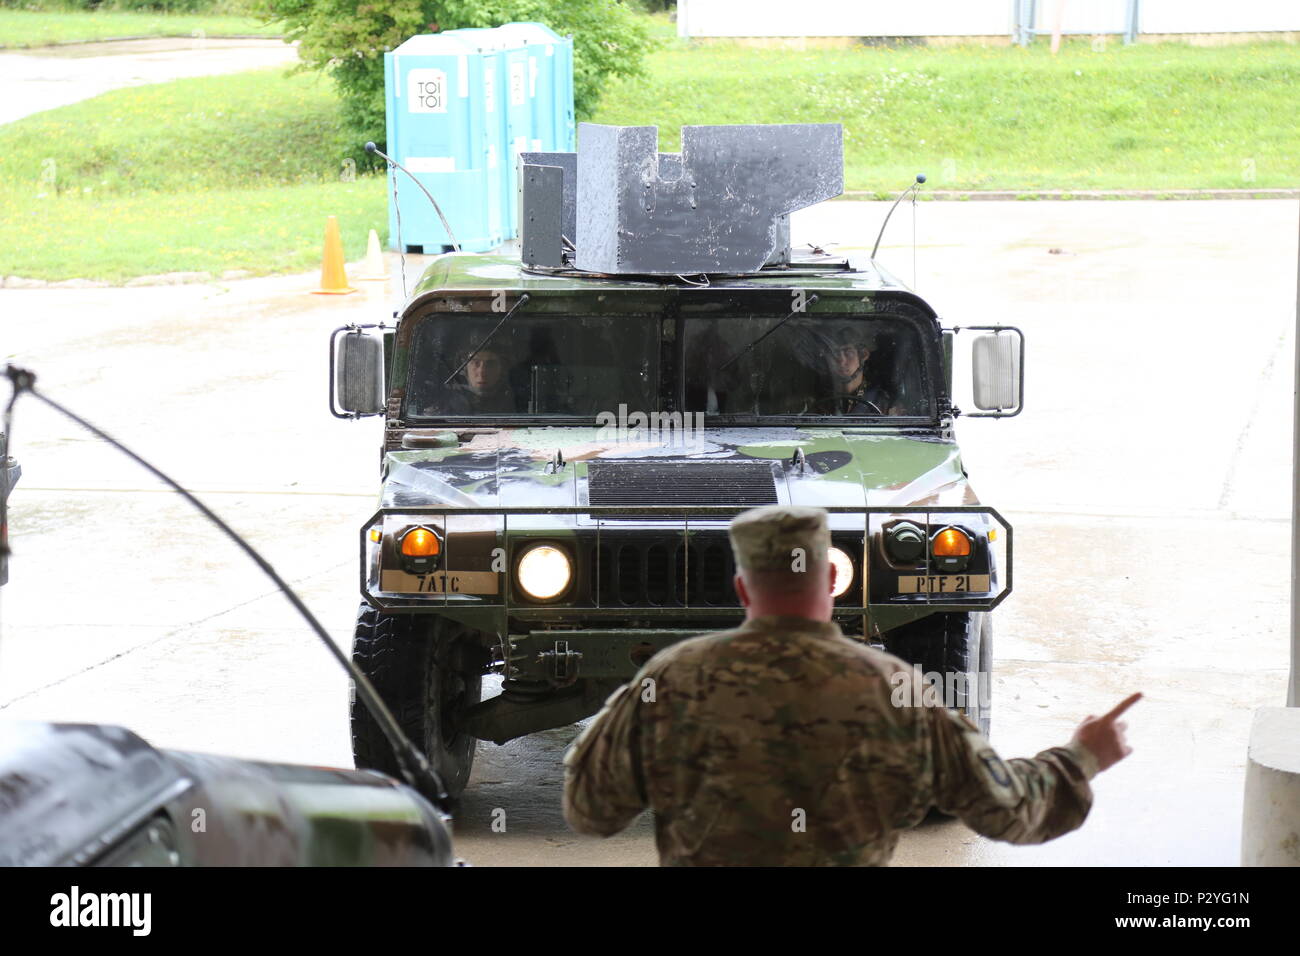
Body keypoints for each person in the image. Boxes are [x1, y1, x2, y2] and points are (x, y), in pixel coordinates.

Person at [562, 504, 1139, 866]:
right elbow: (1007, 809)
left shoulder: (672, 678)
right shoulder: (896, 690)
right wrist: (1082, 756)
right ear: (833, 580)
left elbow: (591, 809)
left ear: (741, 590)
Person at [810, 326, 893, 415]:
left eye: (848, 353)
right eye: (835, 354)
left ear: (863, 355)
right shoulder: (818, 401)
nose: (841, 361)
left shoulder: (881, 401)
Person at [433, 346, 517, 415]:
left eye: (490, 364)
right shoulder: (444, 409)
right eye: (475, 363)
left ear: (501, 369)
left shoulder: (520, 406)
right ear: (465, 368)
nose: (481, 372)